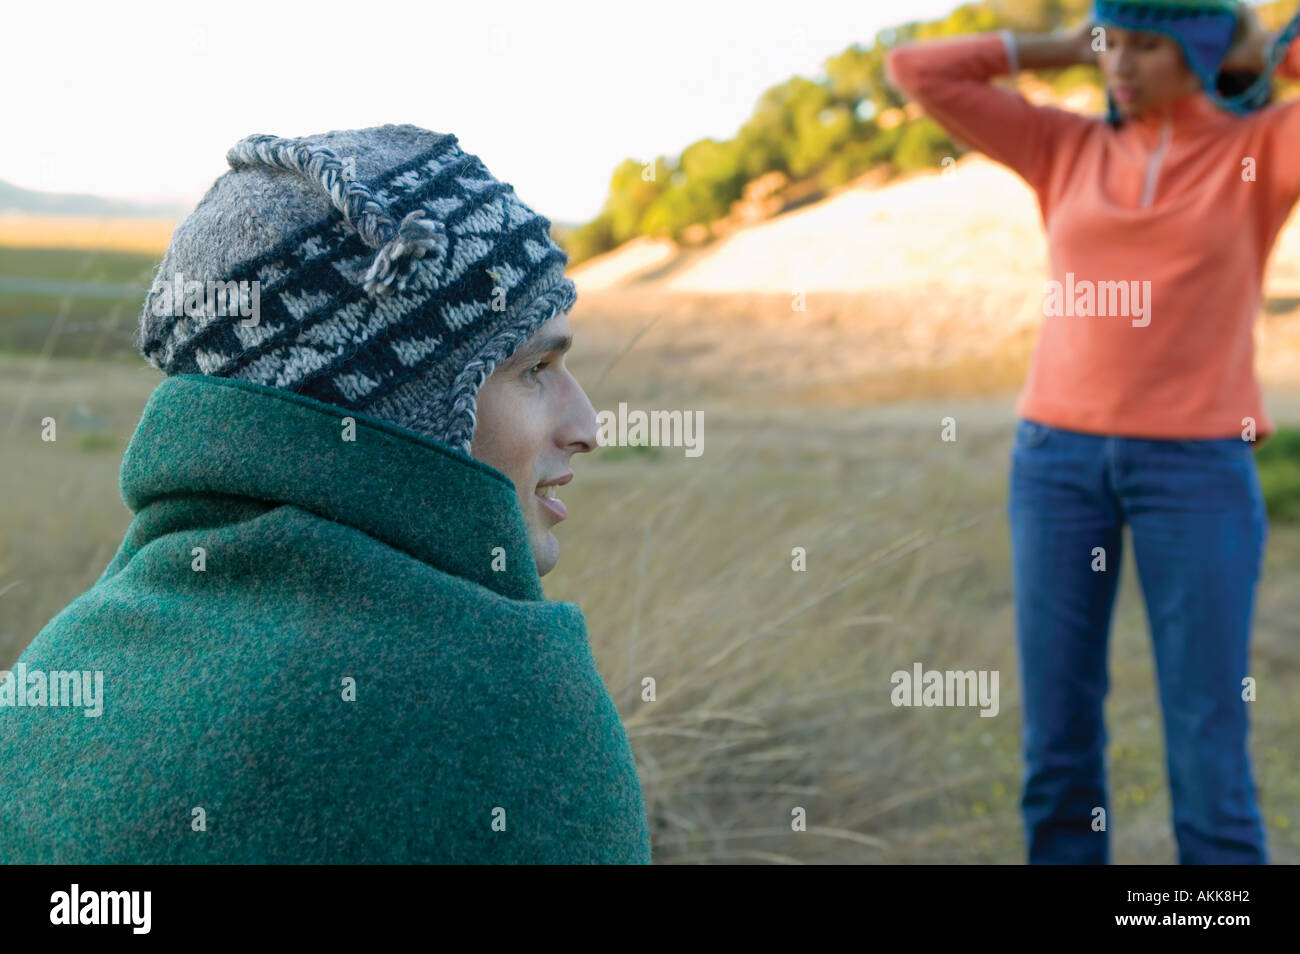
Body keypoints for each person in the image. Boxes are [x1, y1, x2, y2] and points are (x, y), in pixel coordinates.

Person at [0, 125, 652, 864]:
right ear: (405, 409)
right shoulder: (511, 701)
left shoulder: (62, 665)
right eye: (534, 369)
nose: (587, 426)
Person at [885, 0, 1300, 864]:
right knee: (1057, 737)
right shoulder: (1065, 149)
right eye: (1113, 45)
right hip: (1056, 465)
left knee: (1207, 739)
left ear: (1197, 50)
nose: (1122, 64)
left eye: (1148, 46)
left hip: (1199, 469)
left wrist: (1261, 50)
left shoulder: (1257, 152)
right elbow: (917, 72)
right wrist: (1064, 43)